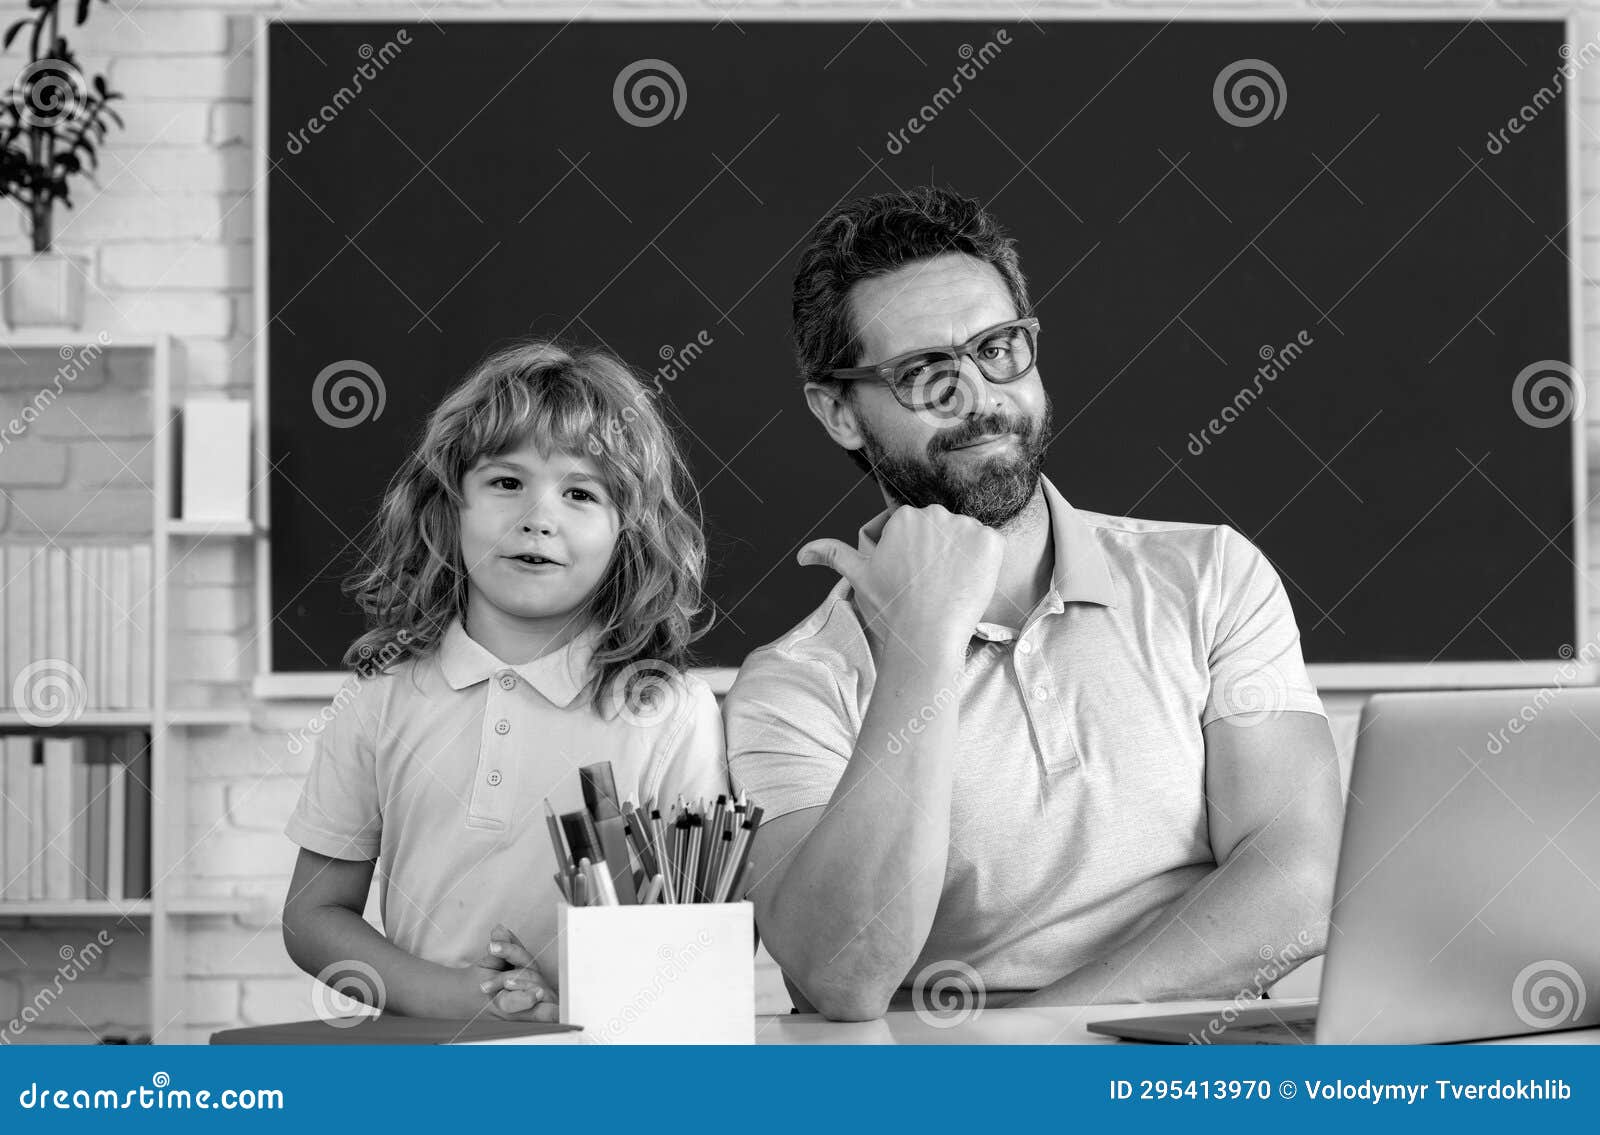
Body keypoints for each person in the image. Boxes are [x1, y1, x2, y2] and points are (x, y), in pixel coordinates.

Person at [724, 186, 1343, 1021]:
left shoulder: (1212, 576)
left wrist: (1045, 1042)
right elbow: (843, 974)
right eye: (920, 372)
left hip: (1179, 1057)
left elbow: (1300, 882)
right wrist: (924, 647)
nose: (974, 394)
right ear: (838, 411)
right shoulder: (794, 684)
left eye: (998, 346)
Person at [280, 339, 727, 1022]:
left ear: (626, 535)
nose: (537, 516)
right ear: (449, 507)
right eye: (506, 482)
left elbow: (707, 937)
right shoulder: (379, 697)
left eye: (580, 492)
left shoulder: (671, 709)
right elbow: (313, 914)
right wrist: (452, 997)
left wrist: (570, 1002)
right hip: (428, 1068)